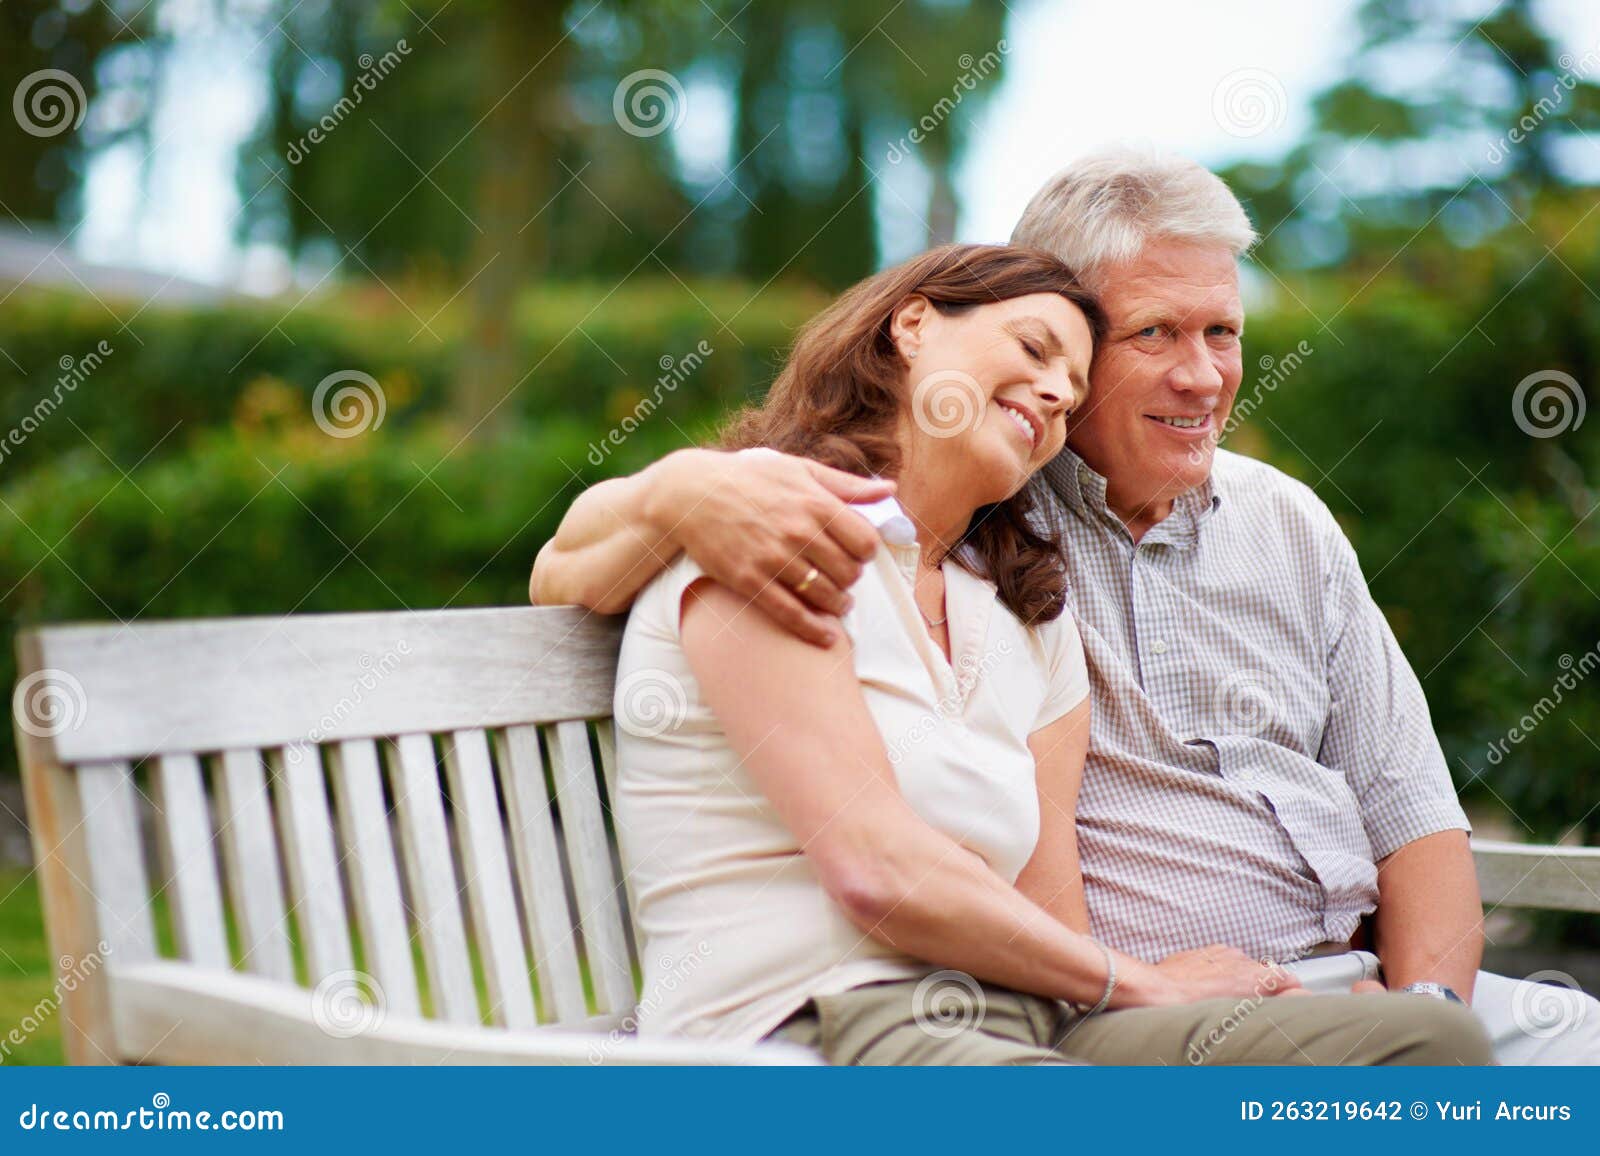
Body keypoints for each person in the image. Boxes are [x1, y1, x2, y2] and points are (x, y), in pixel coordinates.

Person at [532, 150, 1600, 1065]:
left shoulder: (1016, 595)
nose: (1201, 376)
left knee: (1529, 1051)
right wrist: (678, 487)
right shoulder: (797, 531)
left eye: (1222, 332)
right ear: (912, 326)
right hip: (887, 1020)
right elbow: (878, 871)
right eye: (1149, 337)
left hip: (1211, 1001)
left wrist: (1421, 1002)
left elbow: (1410, 810)